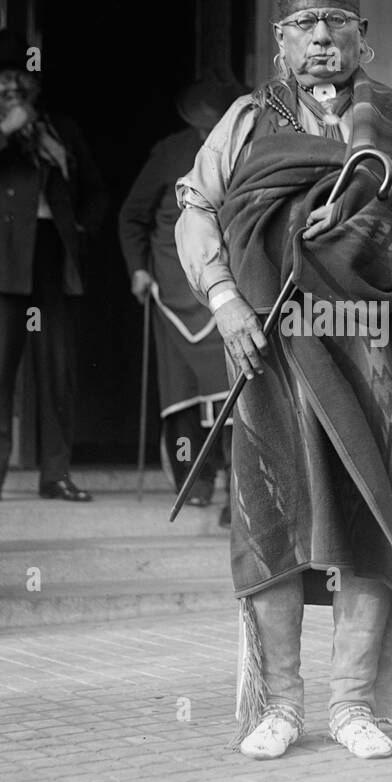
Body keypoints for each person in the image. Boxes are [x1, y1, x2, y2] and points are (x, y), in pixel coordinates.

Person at [174, 0, 392, 760]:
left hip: (371, 356)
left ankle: (354, 707)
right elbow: (195, 211)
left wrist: (356, 230)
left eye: (335, 23)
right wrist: (226, 301)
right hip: (269, 353)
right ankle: (278, 705)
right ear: (279, 40)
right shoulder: (244, 122)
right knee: (274, 516)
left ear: (361, 37)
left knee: (371, 516)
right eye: (304, 25)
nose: (320, 39)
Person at [0, 28, 107, 503]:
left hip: (52, 260)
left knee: (57, 372)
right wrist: (7, 129)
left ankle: (55, 475)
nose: (12, 84)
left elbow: (96, 189)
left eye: (21, 77)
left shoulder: (62, 130)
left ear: (34, 85)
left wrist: (81, 231)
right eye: (2, 79)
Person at [118, 78, 241, 520]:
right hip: (172, 284)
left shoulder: (245, 146)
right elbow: (133, 215)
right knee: (184, 393)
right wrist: (138, 269)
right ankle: (195, 478)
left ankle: (236, 488)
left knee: (233, 389)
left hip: (227, 284)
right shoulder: (169, 153)